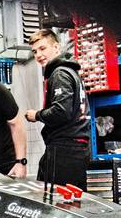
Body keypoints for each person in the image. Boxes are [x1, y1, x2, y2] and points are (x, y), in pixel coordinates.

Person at [23, 29, 89, 187]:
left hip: (65, 149)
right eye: (35, 51)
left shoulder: (59, 74)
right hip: (75, 148)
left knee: (57, 204)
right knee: (73, 201)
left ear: (57, 48)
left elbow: (61, 111)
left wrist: (36, 115)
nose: (38, 55)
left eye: (43, 48)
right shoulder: (70, 71)